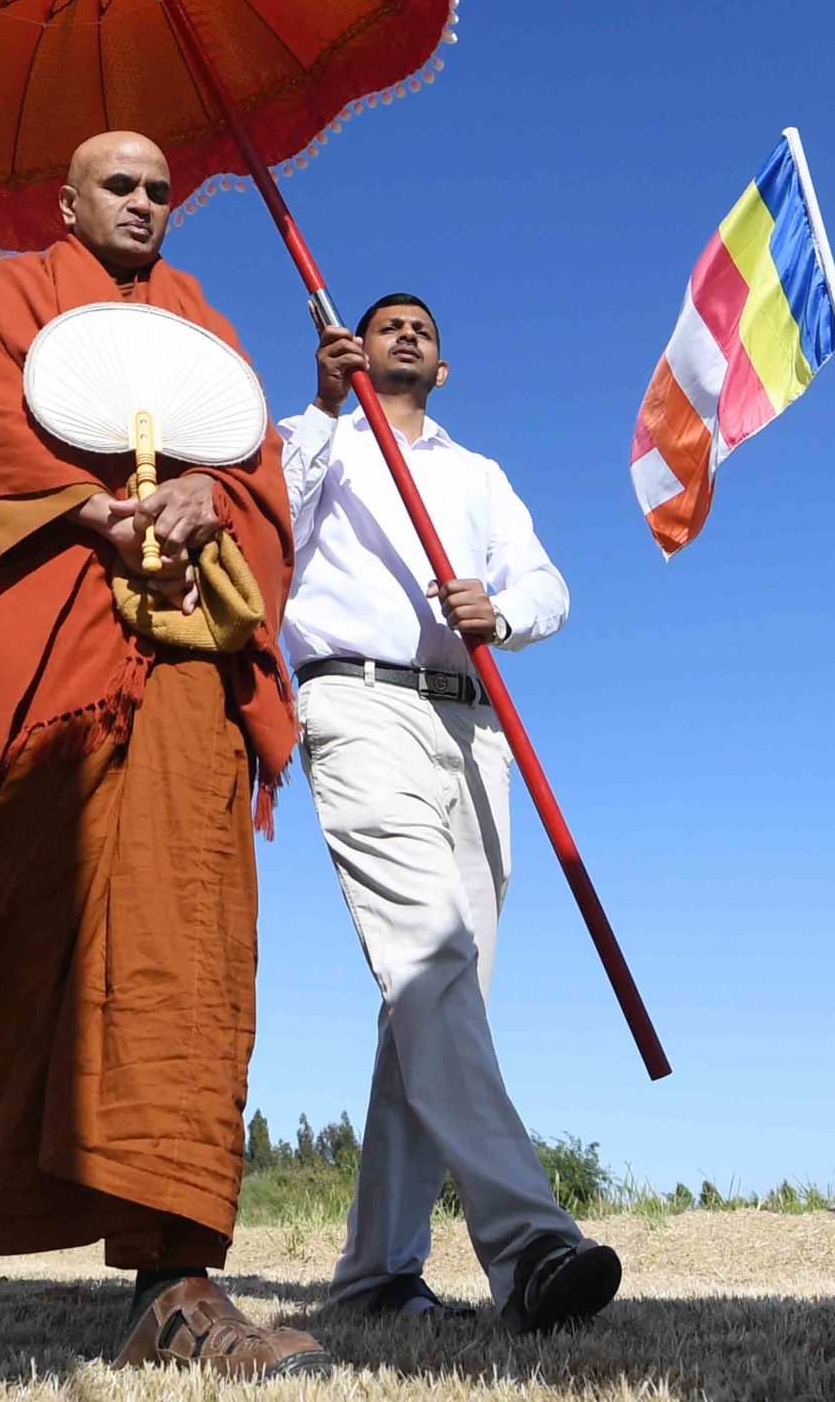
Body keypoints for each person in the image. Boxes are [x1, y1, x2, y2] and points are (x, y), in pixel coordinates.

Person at [0, 132, 320, 1376]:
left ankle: (175, 1283)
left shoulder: (205, 327)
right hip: (52, 661)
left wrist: (203, 504)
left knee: (188, 954)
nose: (141, 202)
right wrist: (93, 512)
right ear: (67, 199)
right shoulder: (9, 295)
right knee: (1, 947)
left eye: (159, 189)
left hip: (184, 666)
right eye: (116, 185)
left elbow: (260, 482)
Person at [280, 294, 620, 1331]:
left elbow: (548, 585)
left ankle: (378, 1275)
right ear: (351, 348)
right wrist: (320, 408)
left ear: (444, 364)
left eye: (422, 324)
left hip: (473, 723)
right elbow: (258, 547)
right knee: (429, 959)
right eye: (384, 322)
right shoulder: (312, 444)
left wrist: (500, 611)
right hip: (354, 703)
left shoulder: (480, 477)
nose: (405, 331)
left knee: (436, 995)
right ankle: (528, 1244)